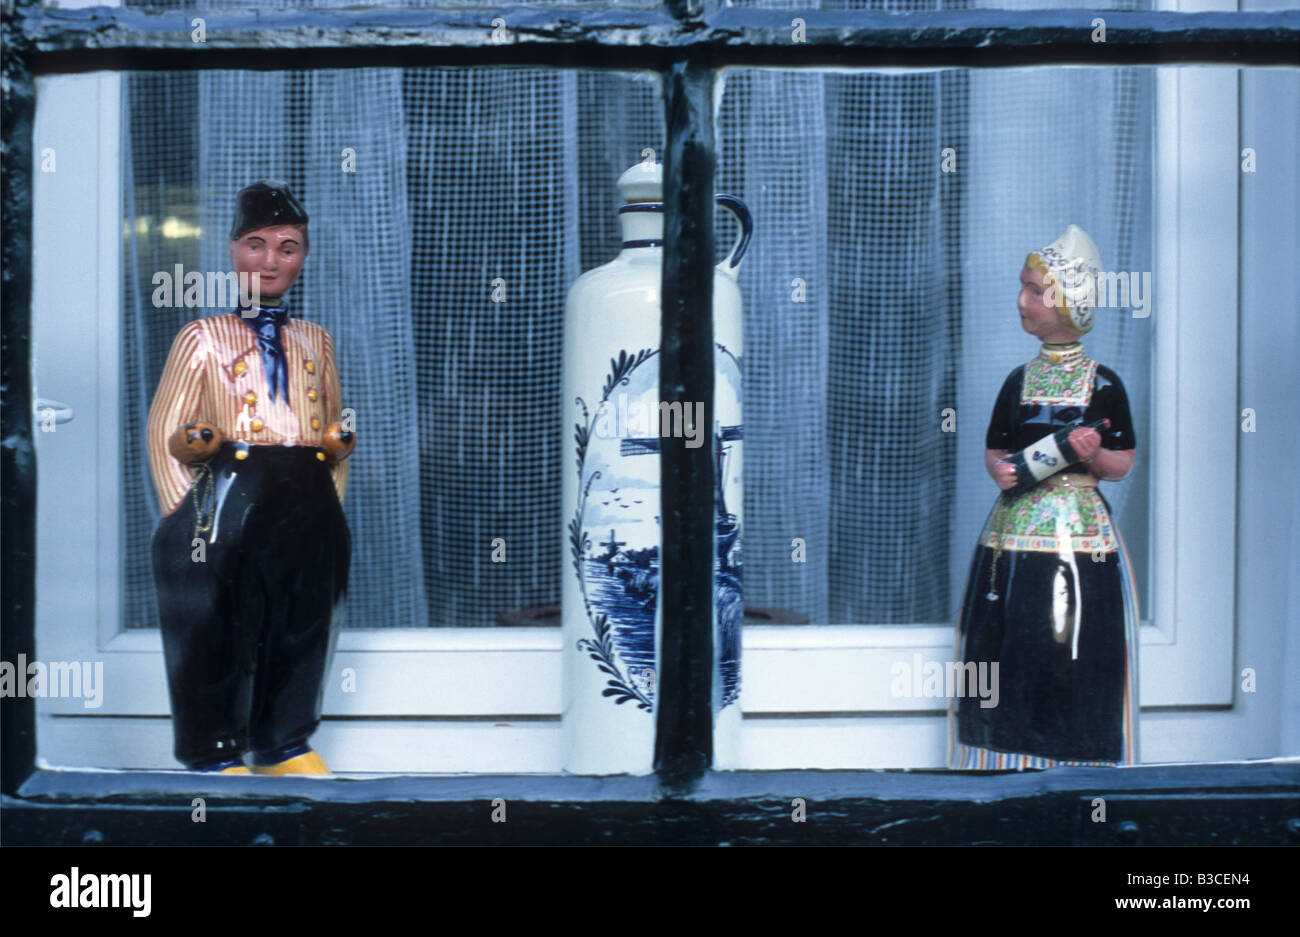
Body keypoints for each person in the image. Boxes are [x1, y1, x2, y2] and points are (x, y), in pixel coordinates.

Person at [147, 181, 354, 775]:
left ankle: (284, 739)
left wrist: (329, 502)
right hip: (229, 485)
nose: (271, 261)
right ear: (233, 249)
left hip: (305, 489)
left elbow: (332, 424)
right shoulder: (202, 339)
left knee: (304, 616)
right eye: (257, 244)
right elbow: (168, 427)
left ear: (304, 255)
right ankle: (213, 748)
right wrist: (180, 514)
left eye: (287, 247)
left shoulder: (316, 340)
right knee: (216, 622)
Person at [949, 224, 1139, 769]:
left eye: (1035, 290)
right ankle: (1005, 757)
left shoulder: (1104, 385)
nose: (1022, 301)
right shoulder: (1018, 380)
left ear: (1067, 300)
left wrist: (1092, 458)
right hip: (1013, 532)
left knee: (1071, 642)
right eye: (1023, 287)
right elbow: (996, 450)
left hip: (1079, 537)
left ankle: (1077, 762)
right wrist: (1003, 474)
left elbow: (1121, 463)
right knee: (1013, 639)